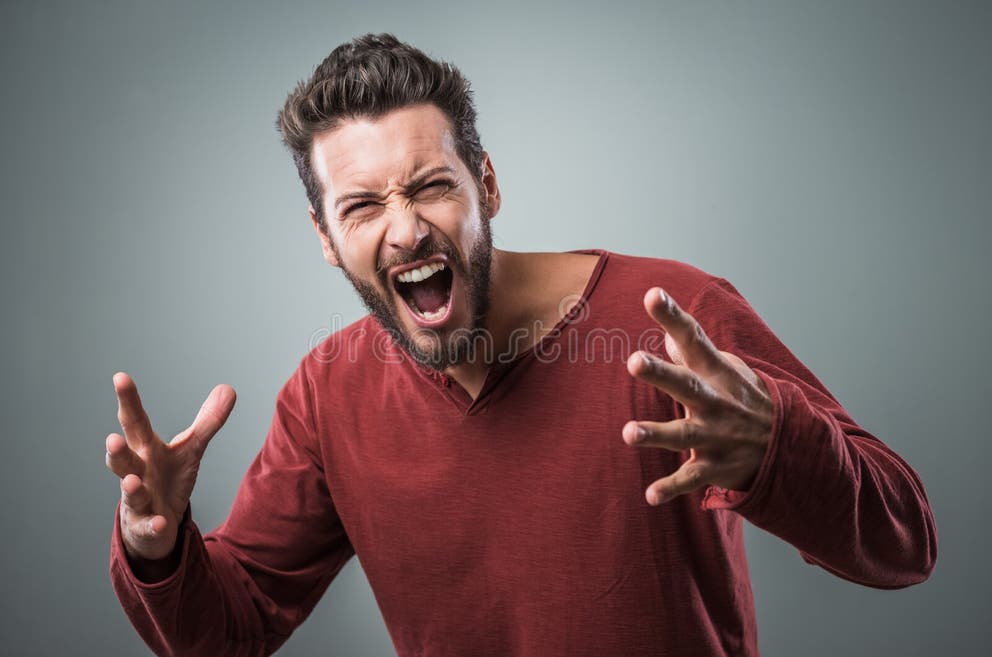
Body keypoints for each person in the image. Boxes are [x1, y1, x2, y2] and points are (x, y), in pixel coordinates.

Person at [106, 33, 937, 657]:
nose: (404, 229)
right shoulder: (329, 393)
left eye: (432, 185)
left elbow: (905, 539)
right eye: (361, 208)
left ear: (488, 185)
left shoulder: (671, 316)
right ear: (326, 237)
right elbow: (230, 628)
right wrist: (159, 545)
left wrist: (777, 449)